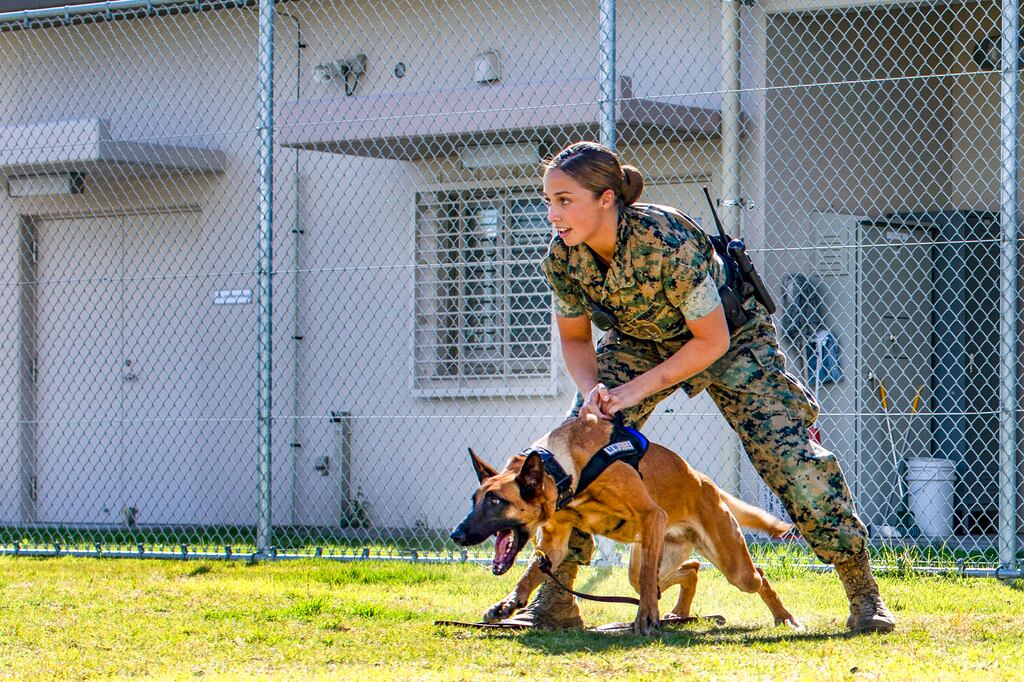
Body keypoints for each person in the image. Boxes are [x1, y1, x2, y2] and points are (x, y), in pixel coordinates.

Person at [512, 140, 894, 634]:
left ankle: (863, 592)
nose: (552, 214)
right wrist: (594, 392)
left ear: (606, 198)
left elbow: (708, 341)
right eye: (548, 201)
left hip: (730, 338)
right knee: (576, 448)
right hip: (639, 342)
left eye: (564, 200)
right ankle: (557, 600)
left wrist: (630, 393)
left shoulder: (666, 238)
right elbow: (573, 336)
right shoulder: (564, 256)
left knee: (791, 457)